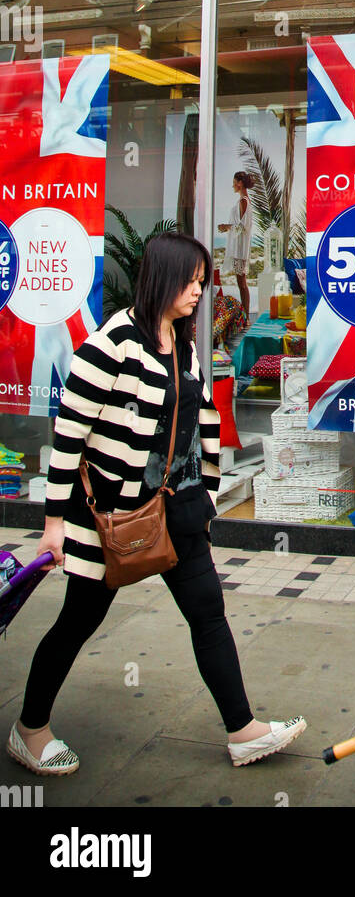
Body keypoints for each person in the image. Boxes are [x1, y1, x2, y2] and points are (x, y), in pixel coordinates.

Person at [7, 232, 306, 776]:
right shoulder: (110, 345)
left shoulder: (183, 340)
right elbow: (68, 437)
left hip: (179, 509)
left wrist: (203, 492)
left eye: (202, 281)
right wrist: (53, 524)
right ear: (162, 279)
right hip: (114, 518)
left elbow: (190, 426)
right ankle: (30, 730)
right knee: (78, 620)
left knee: (208, 613)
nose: (199, 291)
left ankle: (243, 730)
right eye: (191, 281)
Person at [218, 171, 254, 323]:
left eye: (234, 182)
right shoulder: (244, 200)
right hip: (241, 246)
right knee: (241, 283)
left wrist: (226, 226)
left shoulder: (243, 201)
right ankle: (245, 317)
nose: (233, 185)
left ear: (240, 183)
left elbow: (241, 226)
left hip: (240, 247)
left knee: (242, 283)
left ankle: (245, 317)